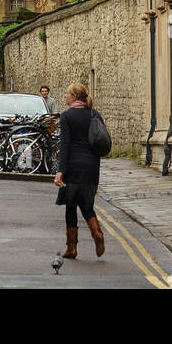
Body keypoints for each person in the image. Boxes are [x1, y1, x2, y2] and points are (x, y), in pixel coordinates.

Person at [53, 81, 105, 260]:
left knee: (71, 205)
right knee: (86, 203)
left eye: (67, 94)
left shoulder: (67, 116)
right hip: (91, 165)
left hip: (73, 166)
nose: (65, 96)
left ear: (74, 97)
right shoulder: (94, 113)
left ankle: (72, 248)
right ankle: (96, 231)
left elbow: (65, 145)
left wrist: (60, 170)